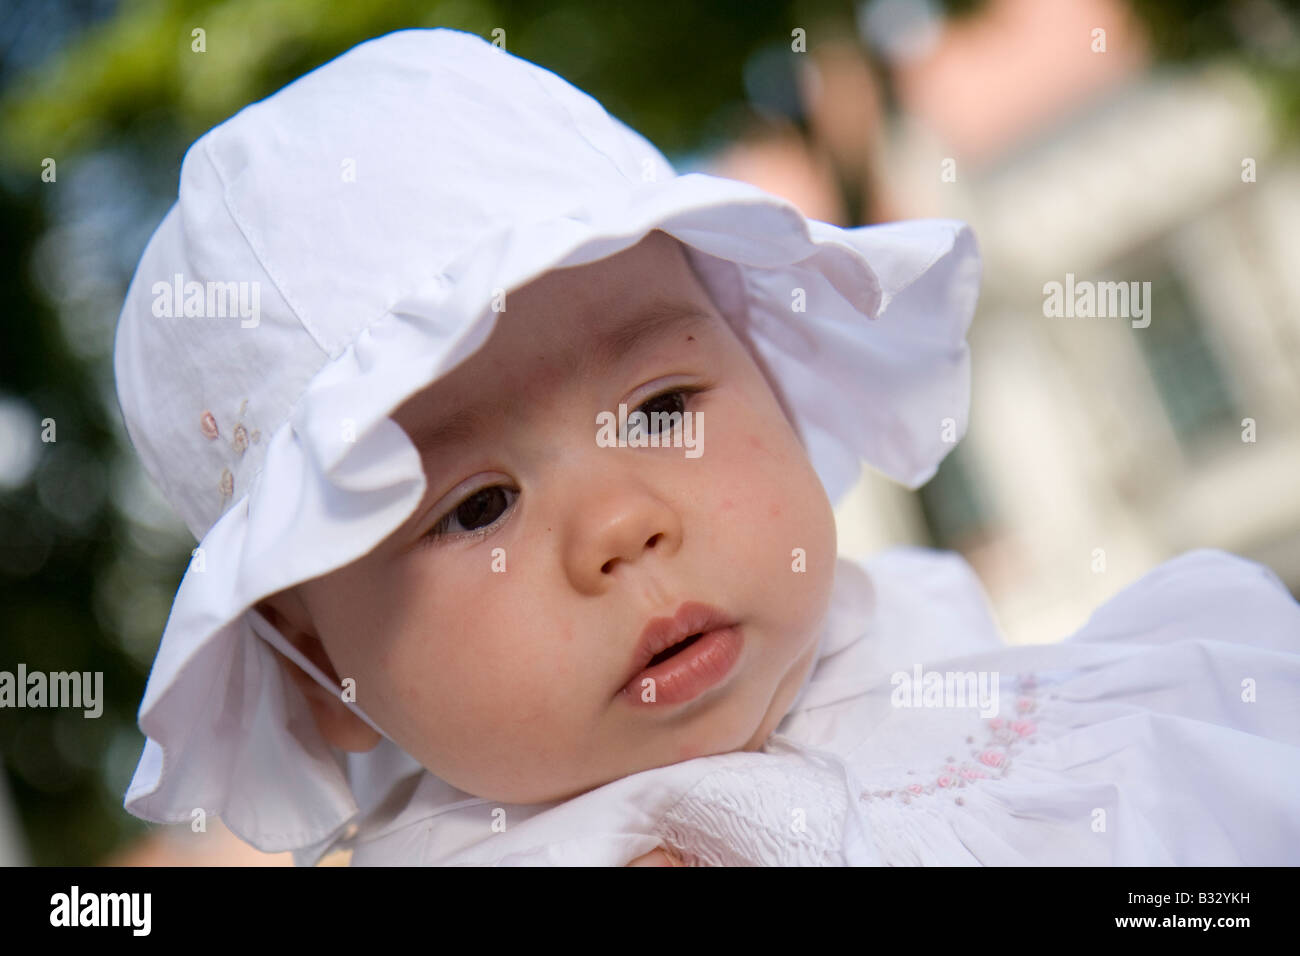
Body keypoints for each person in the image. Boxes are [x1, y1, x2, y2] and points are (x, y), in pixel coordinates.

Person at [114, 28, 1300, 866]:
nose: (624, 525)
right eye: (477, 506)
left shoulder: (993, 671)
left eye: (661, 406)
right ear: (323, 674)